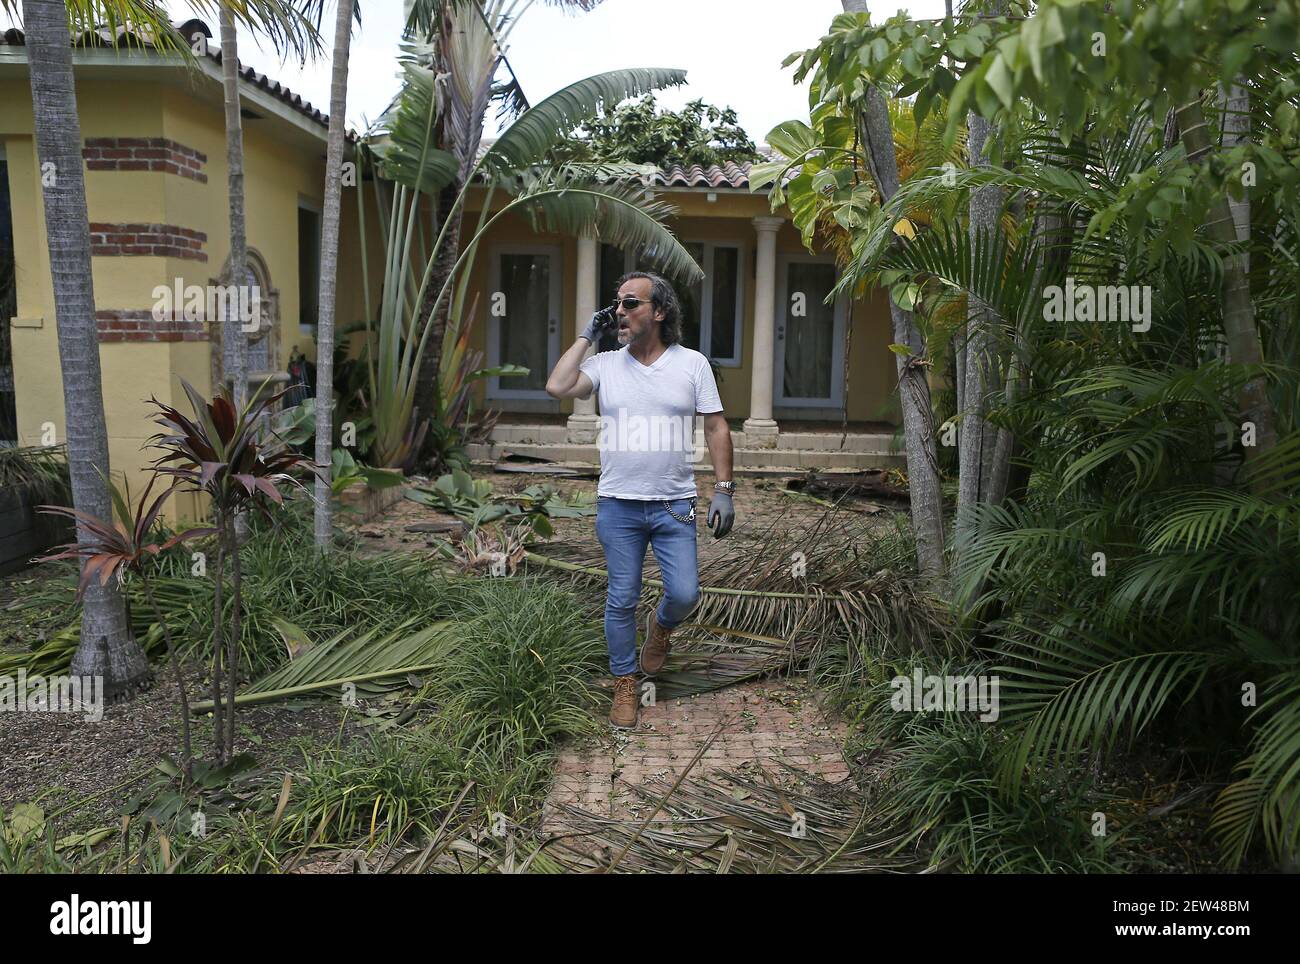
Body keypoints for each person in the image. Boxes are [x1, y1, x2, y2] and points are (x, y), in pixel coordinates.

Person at [546, 270, 735, 728]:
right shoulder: (606, 364)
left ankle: (662, 629)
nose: (620, 312)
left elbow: (715, 427)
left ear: (660, 311)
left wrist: (725, 489)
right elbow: (557, 386)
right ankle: (625, 682)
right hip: (618, 504)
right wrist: (586, 336)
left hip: (674, 504)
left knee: (686, 593)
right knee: (622, 598)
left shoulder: (692, 364)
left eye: (631, 303)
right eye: (617, 303)